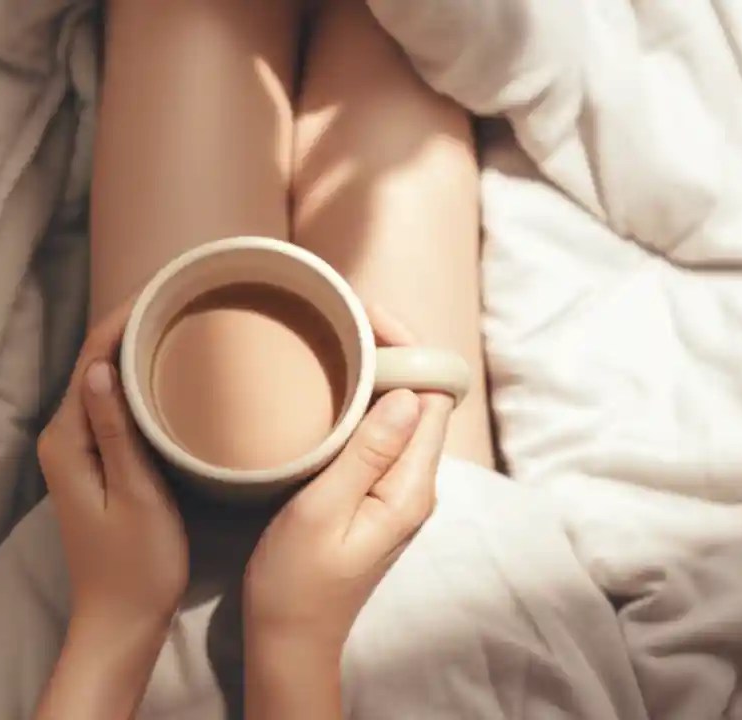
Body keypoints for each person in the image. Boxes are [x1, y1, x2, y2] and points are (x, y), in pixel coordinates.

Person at [35, 0, 494, 716]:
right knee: (391, 69)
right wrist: (293, 635)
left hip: (125, 568)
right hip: (404, 586)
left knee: (187, 21)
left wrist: (117, 617)